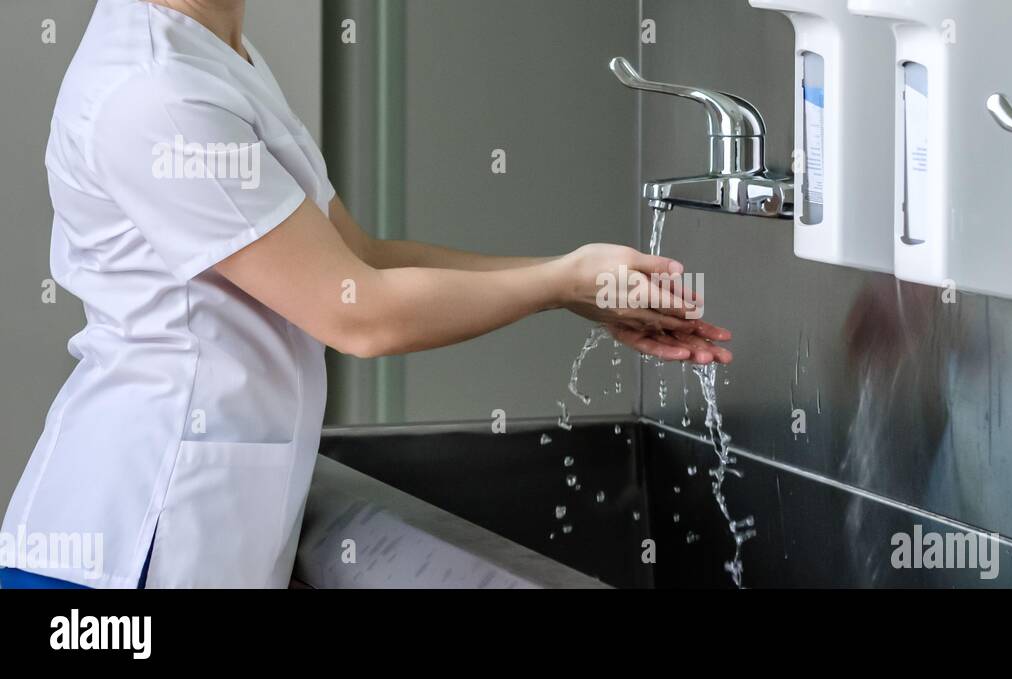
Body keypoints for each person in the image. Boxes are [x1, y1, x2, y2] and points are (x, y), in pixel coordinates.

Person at [0, 0, 731, 589]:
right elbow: (358, 314)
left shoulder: (217, 52)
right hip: (121, 549)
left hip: (191, 530)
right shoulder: (154, 90)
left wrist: (574, 283)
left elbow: (357, 258)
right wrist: (560, 280)